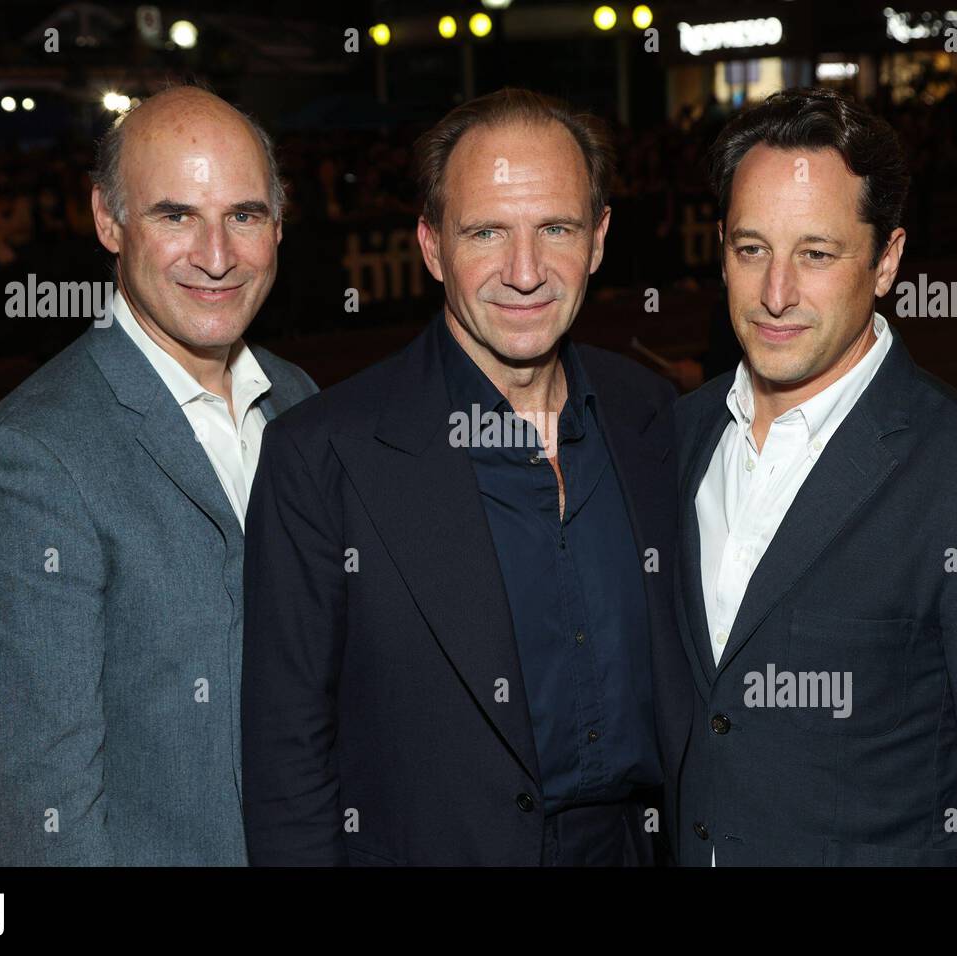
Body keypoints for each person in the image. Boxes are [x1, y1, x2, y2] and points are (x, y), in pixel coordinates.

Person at [241, 88, 693, 866]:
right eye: (487, 232)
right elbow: (288, 763)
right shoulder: (321, 454)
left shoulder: (650, 414)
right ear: (430, 245)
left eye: (556, 228)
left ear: (599, 238)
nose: (526, 272)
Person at [672, 87, 957, 866]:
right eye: (751, 249)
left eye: (816, 252)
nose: (776, 292)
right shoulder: (679, 437)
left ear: (887, 261)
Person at [0, 86, 316, 865]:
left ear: (278, 226)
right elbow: (38, 823)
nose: (217, 255)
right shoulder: (26, 463)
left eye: (244, 215)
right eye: (175, 215)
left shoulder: (303, 403)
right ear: (108, 221)